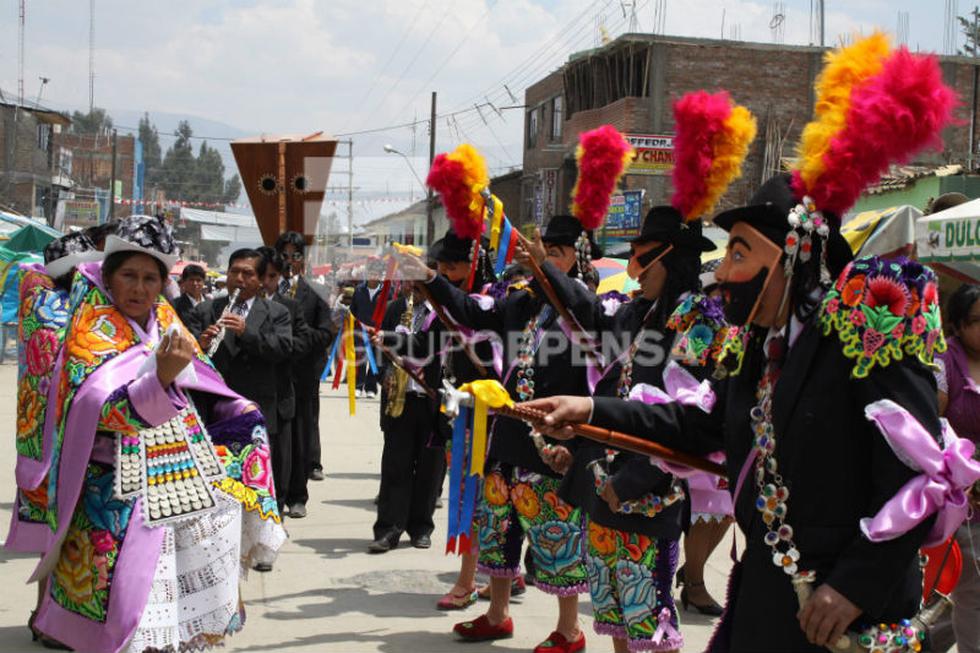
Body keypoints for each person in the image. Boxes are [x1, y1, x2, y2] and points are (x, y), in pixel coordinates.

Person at [27, 217, 285, 652]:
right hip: (111, 495)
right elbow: (99, 409)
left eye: (150, 278)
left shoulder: (165, 321)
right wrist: (159, 379)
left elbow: (202, 383)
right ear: (109, 278)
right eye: (129, 275)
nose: (140, 288)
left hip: (176, 484)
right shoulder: (90, 330)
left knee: (177, 608)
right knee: (126, 609)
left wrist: (237, 409)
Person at [397, 214, 600, 653]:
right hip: (507, 434)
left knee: (556, 532)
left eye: (547, 253)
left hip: (556, 439)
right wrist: (430, 278)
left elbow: (586, 315)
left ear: (569, 257)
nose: (531, 259)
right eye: (532, 254)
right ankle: (497, 614)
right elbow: (471, 311)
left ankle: (569, 629)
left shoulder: (592, 302)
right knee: (497, 526)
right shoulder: (522, 301)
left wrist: (546, 272)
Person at [7, 231, 102, 648]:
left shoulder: (37, 300)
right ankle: (54, 619)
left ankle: (45, 615)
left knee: (56, 536)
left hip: (42, 444)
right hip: (67, 442)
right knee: (67, 536)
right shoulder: (68, 312)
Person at [186, 249, 294, 461]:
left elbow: (282, 349)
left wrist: (247, 333)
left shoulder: (277, 313)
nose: (238, 279)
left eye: (247, 274)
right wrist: (201, 345)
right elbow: (185, 356)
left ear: (261, 280)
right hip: (212, 408)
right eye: (233, 272)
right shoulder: (204, 310)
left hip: (256, 405)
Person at [936, 283, 980, 653]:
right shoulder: (943, 363)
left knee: (963, 592)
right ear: (957, 326)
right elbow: (930, 430)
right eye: (978, 321)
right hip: (962, 503)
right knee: (974, 591)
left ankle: (923, 643)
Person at [275, 231, 335, 483]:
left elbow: (326, 333)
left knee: (306, 418)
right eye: (284, 254)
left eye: (296, 255)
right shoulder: (267, 289)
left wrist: (298, 341)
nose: (290, 260)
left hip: (305, 367)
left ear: (304, 260)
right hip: (273, 369)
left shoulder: (317, 291)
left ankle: (311, 463)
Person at [256, 246, 311, 520]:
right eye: (261, 275)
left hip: (279, 397)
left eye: (272, 276)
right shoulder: (234, 307)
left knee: (279, 464)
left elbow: (302, 342)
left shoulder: (290, 307)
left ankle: (275, 518)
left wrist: (278, 347)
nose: (266, 282)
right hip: (245, 398)